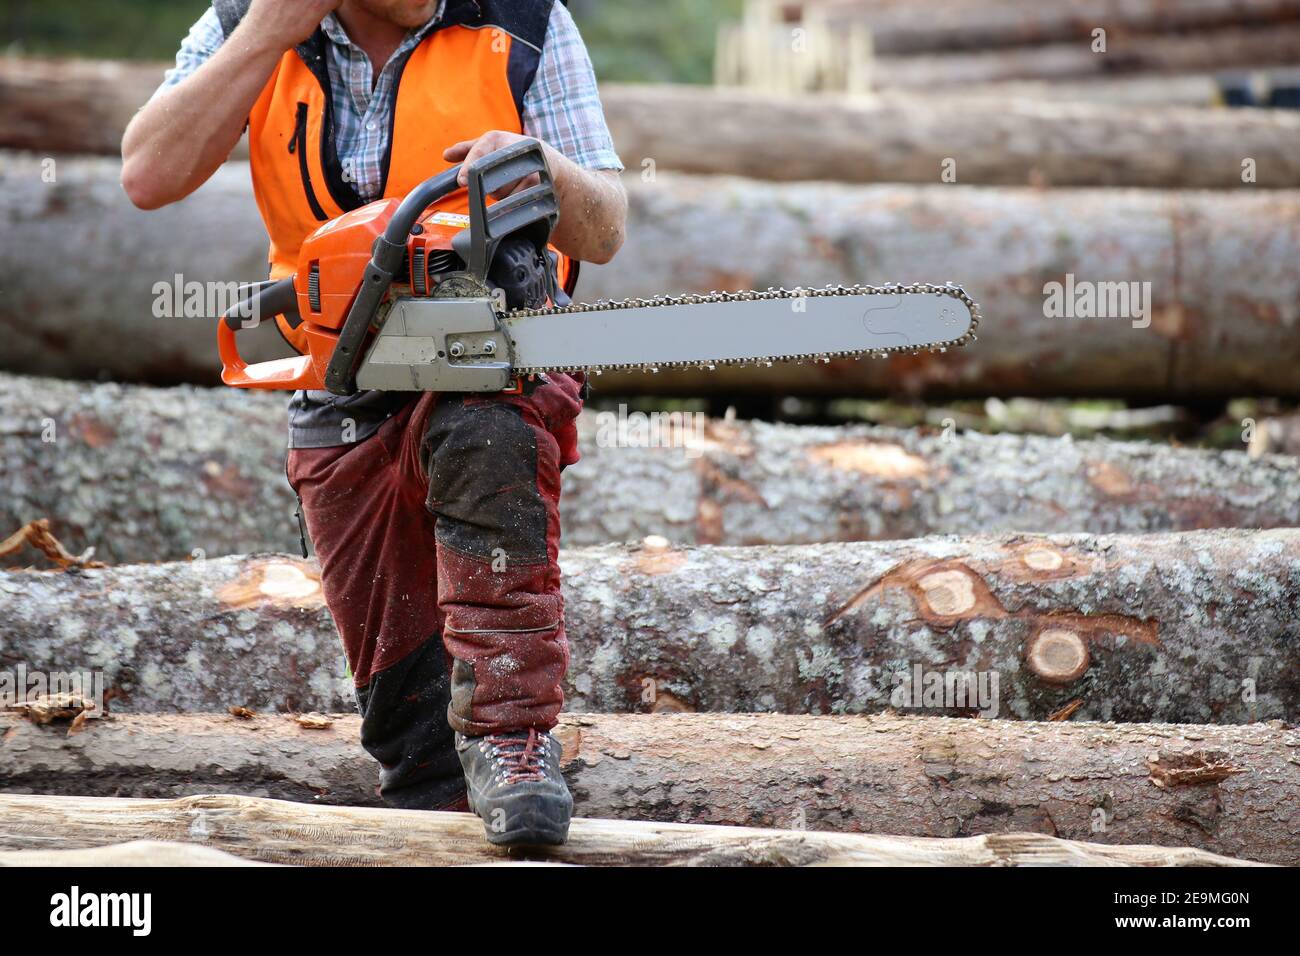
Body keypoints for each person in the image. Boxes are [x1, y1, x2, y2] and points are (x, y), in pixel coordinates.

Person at [122, 0, 627, 846]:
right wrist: (266, 34)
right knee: (411, 723)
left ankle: (513, 732)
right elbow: (147, 173)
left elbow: (605, 227)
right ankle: (439, 806)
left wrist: (537, 168)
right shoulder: (253, 21)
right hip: (340, 386)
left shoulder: (525, 19)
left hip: (495, 355)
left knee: (483, 429)